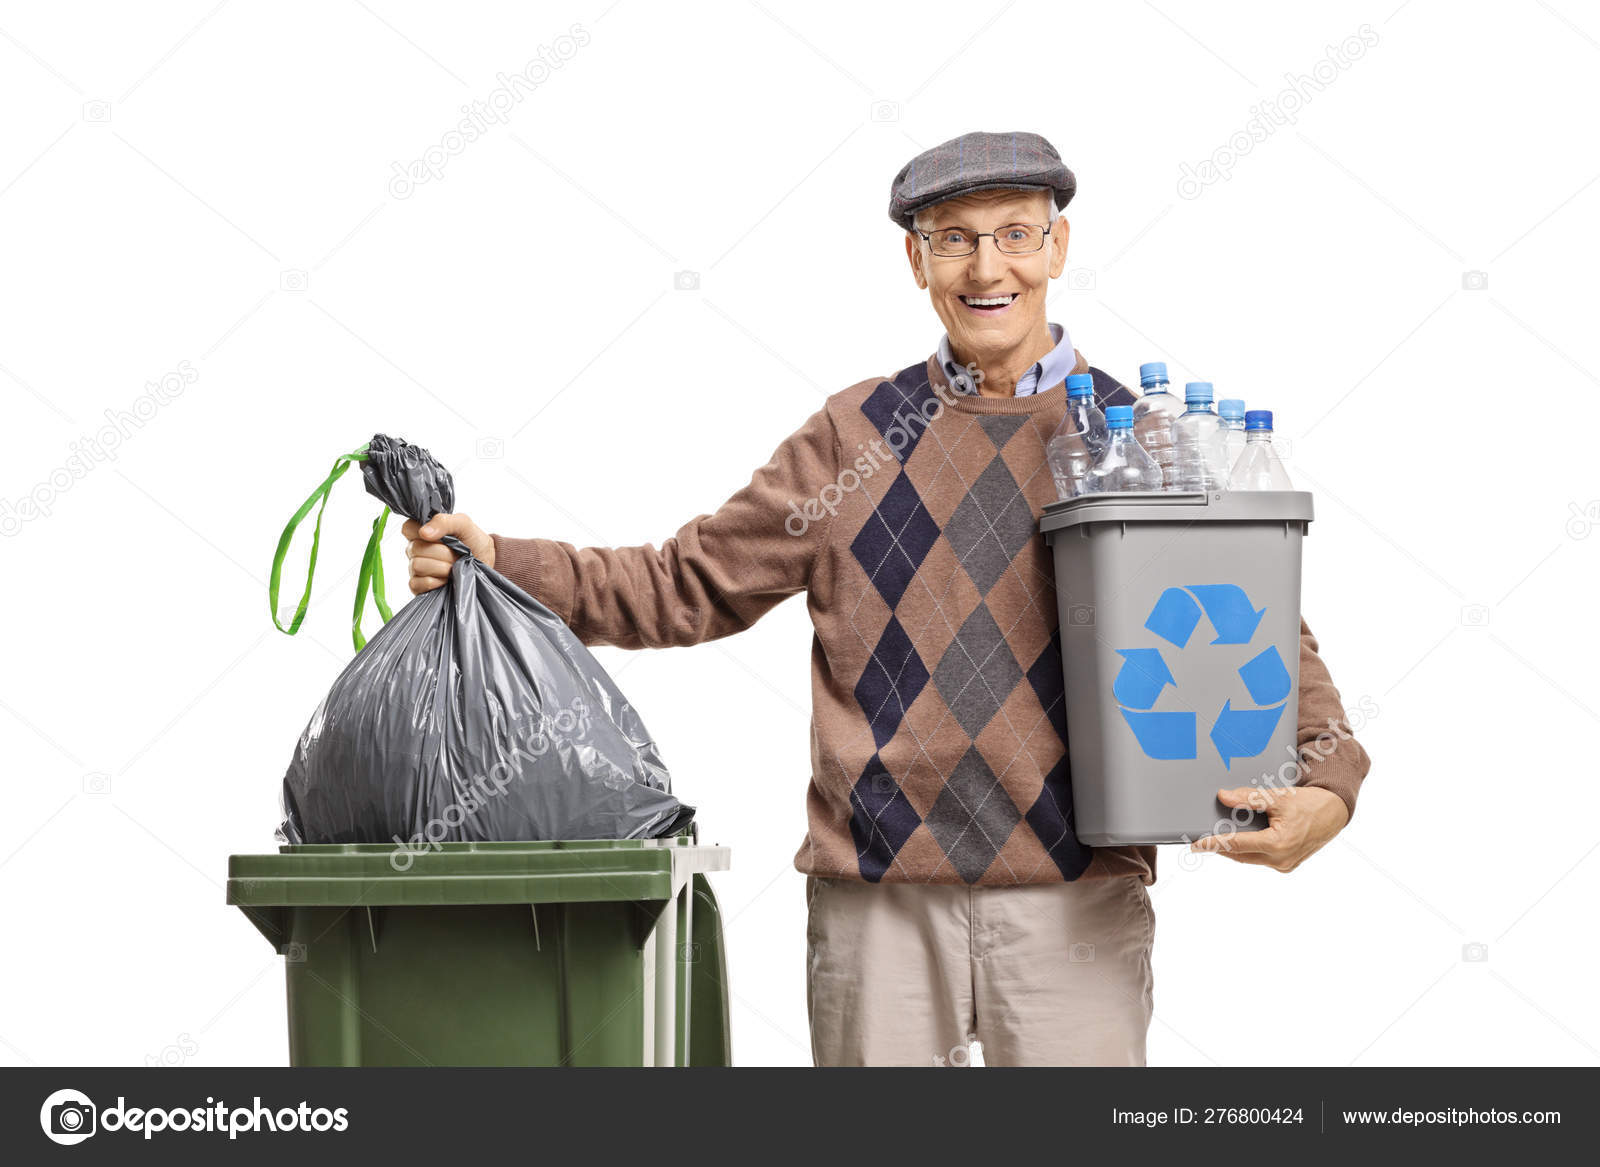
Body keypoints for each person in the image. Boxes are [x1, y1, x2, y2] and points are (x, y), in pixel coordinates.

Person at [403, 130, 1371, 1067]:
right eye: (953, 239)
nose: (985, 269)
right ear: (916, 261)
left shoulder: (1137, 437)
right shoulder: (852, 436)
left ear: (1057, 247)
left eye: (1013, 235)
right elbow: (683, 584)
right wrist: (504, 563)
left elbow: (1258, 624)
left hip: (1074, 899)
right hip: (878, 904)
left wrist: (1331, 783)